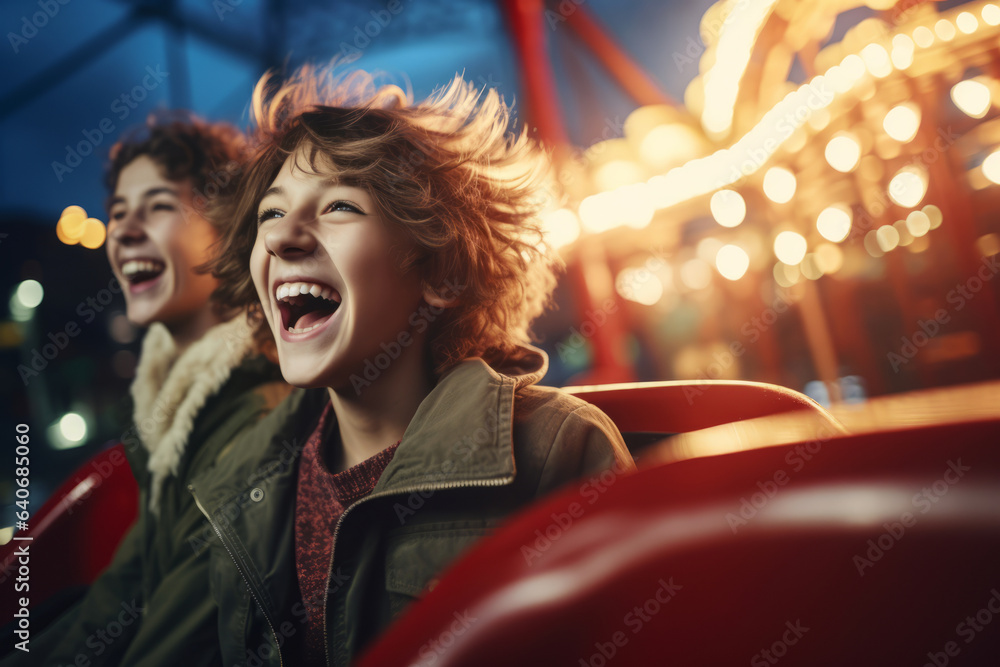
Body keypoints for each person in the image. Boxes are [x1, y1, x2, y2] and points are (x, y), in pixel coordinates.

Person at [198, 65, 636, 667]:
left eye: (341, 206)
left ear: (442, 274)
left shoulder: (559, 451)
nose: (281, 238)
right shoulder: (239, 485)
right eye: (271, 214)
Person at [5, 115, 290, 666]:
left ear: (226, 225)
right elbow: (117, 600)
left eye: (158, 207)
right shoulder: (170, 412)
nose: (125, 230)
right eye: (117, 214)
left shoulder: (255, 419)